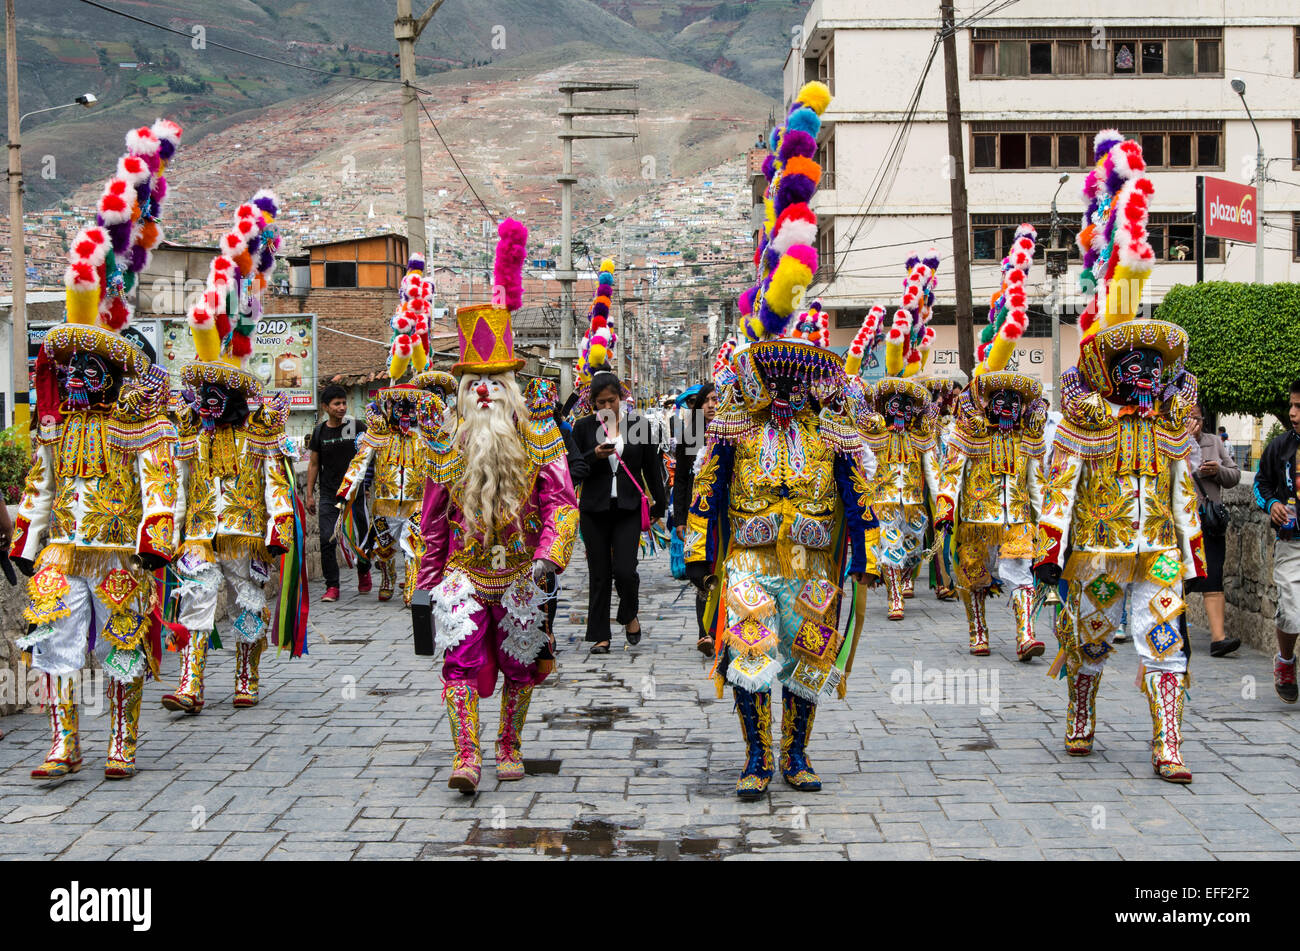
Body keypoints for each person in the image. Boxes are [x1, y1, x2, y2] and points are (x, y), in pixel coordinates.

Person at [687, 81, 877, 800]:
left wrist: (867, 550)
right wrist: (703, 552)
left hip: (816, 561)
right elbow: (707, 475)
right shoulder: (739, 418)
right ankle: (756, 756)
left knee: (806, 660)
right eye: (781, 374)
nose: (791, 386)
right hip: (749, 558)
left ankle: (796, 754)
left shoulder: (832, 425)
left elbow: (863, 475)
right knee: (751, 657)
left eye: (801, 376)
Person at [9, 120, 183, 780]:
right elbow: (38, 487)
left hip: (117, 551)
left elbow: (161, 484)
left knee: (122, 644)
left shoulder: (138, 423)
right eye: (71, 367)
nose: (77, 377)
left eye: (89, 368)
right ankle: (62, 743)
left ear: (110, 374)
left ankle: (121, 740)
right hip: (66, 547)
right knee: (52, 637)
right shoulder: (54, 426)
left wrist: (153, 535)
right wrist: (28, 543)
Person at [1034, 130, 1204, 783]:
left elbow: (1184, 491)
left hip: (1158, 550)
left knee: (1166, 648)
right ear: (1113, 371)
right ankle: (1081, 715)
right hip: (1099, 549)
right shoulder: (1086, 423)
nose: (1140, 374)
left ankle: (1169, 743)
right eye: (1130, 364)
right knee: (1092, 642)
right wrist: (1051, 554)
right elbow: (1061, 492)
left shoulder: (1169, 426)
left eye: (1150, 367)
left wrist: (1191, 555)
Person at [416, 218, 579, 795]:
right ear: (462, 390)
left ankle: (509, 745)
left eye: (494, 380)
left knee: (518, 664)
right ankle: (467, 755)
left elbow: (562, 506)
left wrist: (547, 559)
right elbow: (433, 522)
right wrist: (424, 583)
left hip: (521, 576)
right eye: (473, 382)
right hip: (463, 574)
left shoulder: (542, 442)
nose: (483, 391)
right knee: (458, 663)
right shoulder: (444, 447)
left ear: (511, 385)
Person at [162, 191, 305, 716]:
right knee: (196, 598)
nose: (210, 402)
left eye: (220, 394)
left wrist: (278, 527)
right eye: (206, 394)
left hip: (247, 534)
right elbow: (176, 485)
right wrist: (171, 529)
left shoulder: (257, 436)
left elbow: (274, 483)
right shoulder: (193, 437)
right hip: (201, 531)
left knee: (249, 600)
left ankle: (246, 676)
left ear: (238, 398)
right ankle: (192, 685)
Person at [936, 223, 1049, 661]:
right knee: (975, 575)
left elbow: (1037, 481)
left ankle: (1025, 635)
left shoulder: (1028, 439)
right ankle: (979, 629)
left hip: (1017, 515)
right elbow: (951, 472)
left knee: (1020, 572)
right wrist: (946, 505)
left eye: (1012, 400)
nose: (1006, 406)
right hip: (976, 517)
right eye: (998, 399)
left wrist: (1048, 517)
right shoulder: (969, 433)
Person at [337, 256, 436, 604]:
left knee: (414, 547)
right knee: (383, 549)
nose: (407, 413)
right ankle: (388, 578)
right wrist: (345, 493)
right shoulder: (377, 434)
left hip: (415, 503)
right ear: (392, 410)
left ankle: (412, 589)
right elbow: (360, 463)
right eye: (401, 407)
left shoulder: (426, 436)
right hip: (383, 502)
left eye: (412, 406)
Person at [569, 370, 667, 654]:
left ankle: (629, 614)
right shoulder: (583, 428)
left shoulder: (638, 425)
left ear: (621, 399)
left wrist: (660, 506)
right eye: (600, 403)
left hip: (628, 508)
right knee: (598, 573)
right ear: (592, 404)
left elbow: (652, 468)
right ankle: (600, 635)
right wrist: (593, 455)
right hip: (594, 509)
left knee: (625, 570)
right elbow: (575, 468)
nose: (606, 407)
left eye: (611, 401)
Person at [305, 383, 371, 602]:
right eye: (336, 404)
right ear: (325, 407)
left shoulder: (354, 426)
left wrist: (368, 484)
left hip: (354, 493)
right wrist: (309, 494)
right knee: (326, 539)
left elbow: (369, 456)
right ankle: (332, 586)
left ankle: (363, 570)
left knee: (363, 536)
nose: (342, 407)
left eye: (344, 403)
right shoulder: (320, 432)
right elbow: (314, 463)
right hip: (329, 494)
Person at [1256, 380, 1300, 702]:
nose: (1293, 413)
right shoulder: (1278, 447)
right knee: (1291, 612)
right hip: (1291, 544)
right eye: (1292, 405)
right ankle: (1285, 661)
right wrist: (1272, 505)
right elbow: (1261, 484)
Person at [1185, 404, 1241, 656]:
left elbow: (1235, 475)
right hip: (1182, 520)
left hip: (1208, 519)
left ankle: (1218, 638)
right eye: (1187, 418)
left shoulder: (1214, 442)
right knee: (1178, 577)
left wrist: (1217, 472)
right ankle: (1175, 636)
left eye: (1196, 419)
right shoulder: (1170, 441)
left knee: (1214, 573)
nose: (1192, 423)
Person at [674, 382, 718, 655]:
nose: (712, 405)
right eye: (708, 400)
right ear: (699, 405)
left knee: (718, 571)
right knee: (699, 572)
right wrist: (680, 517)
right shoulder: (690, 436)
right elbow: (680, 481)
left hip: (724, 515)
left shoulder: (735, 433)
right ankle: (705, 630)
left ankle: (713, 633)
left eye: (716, 400)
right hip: (696, 513)